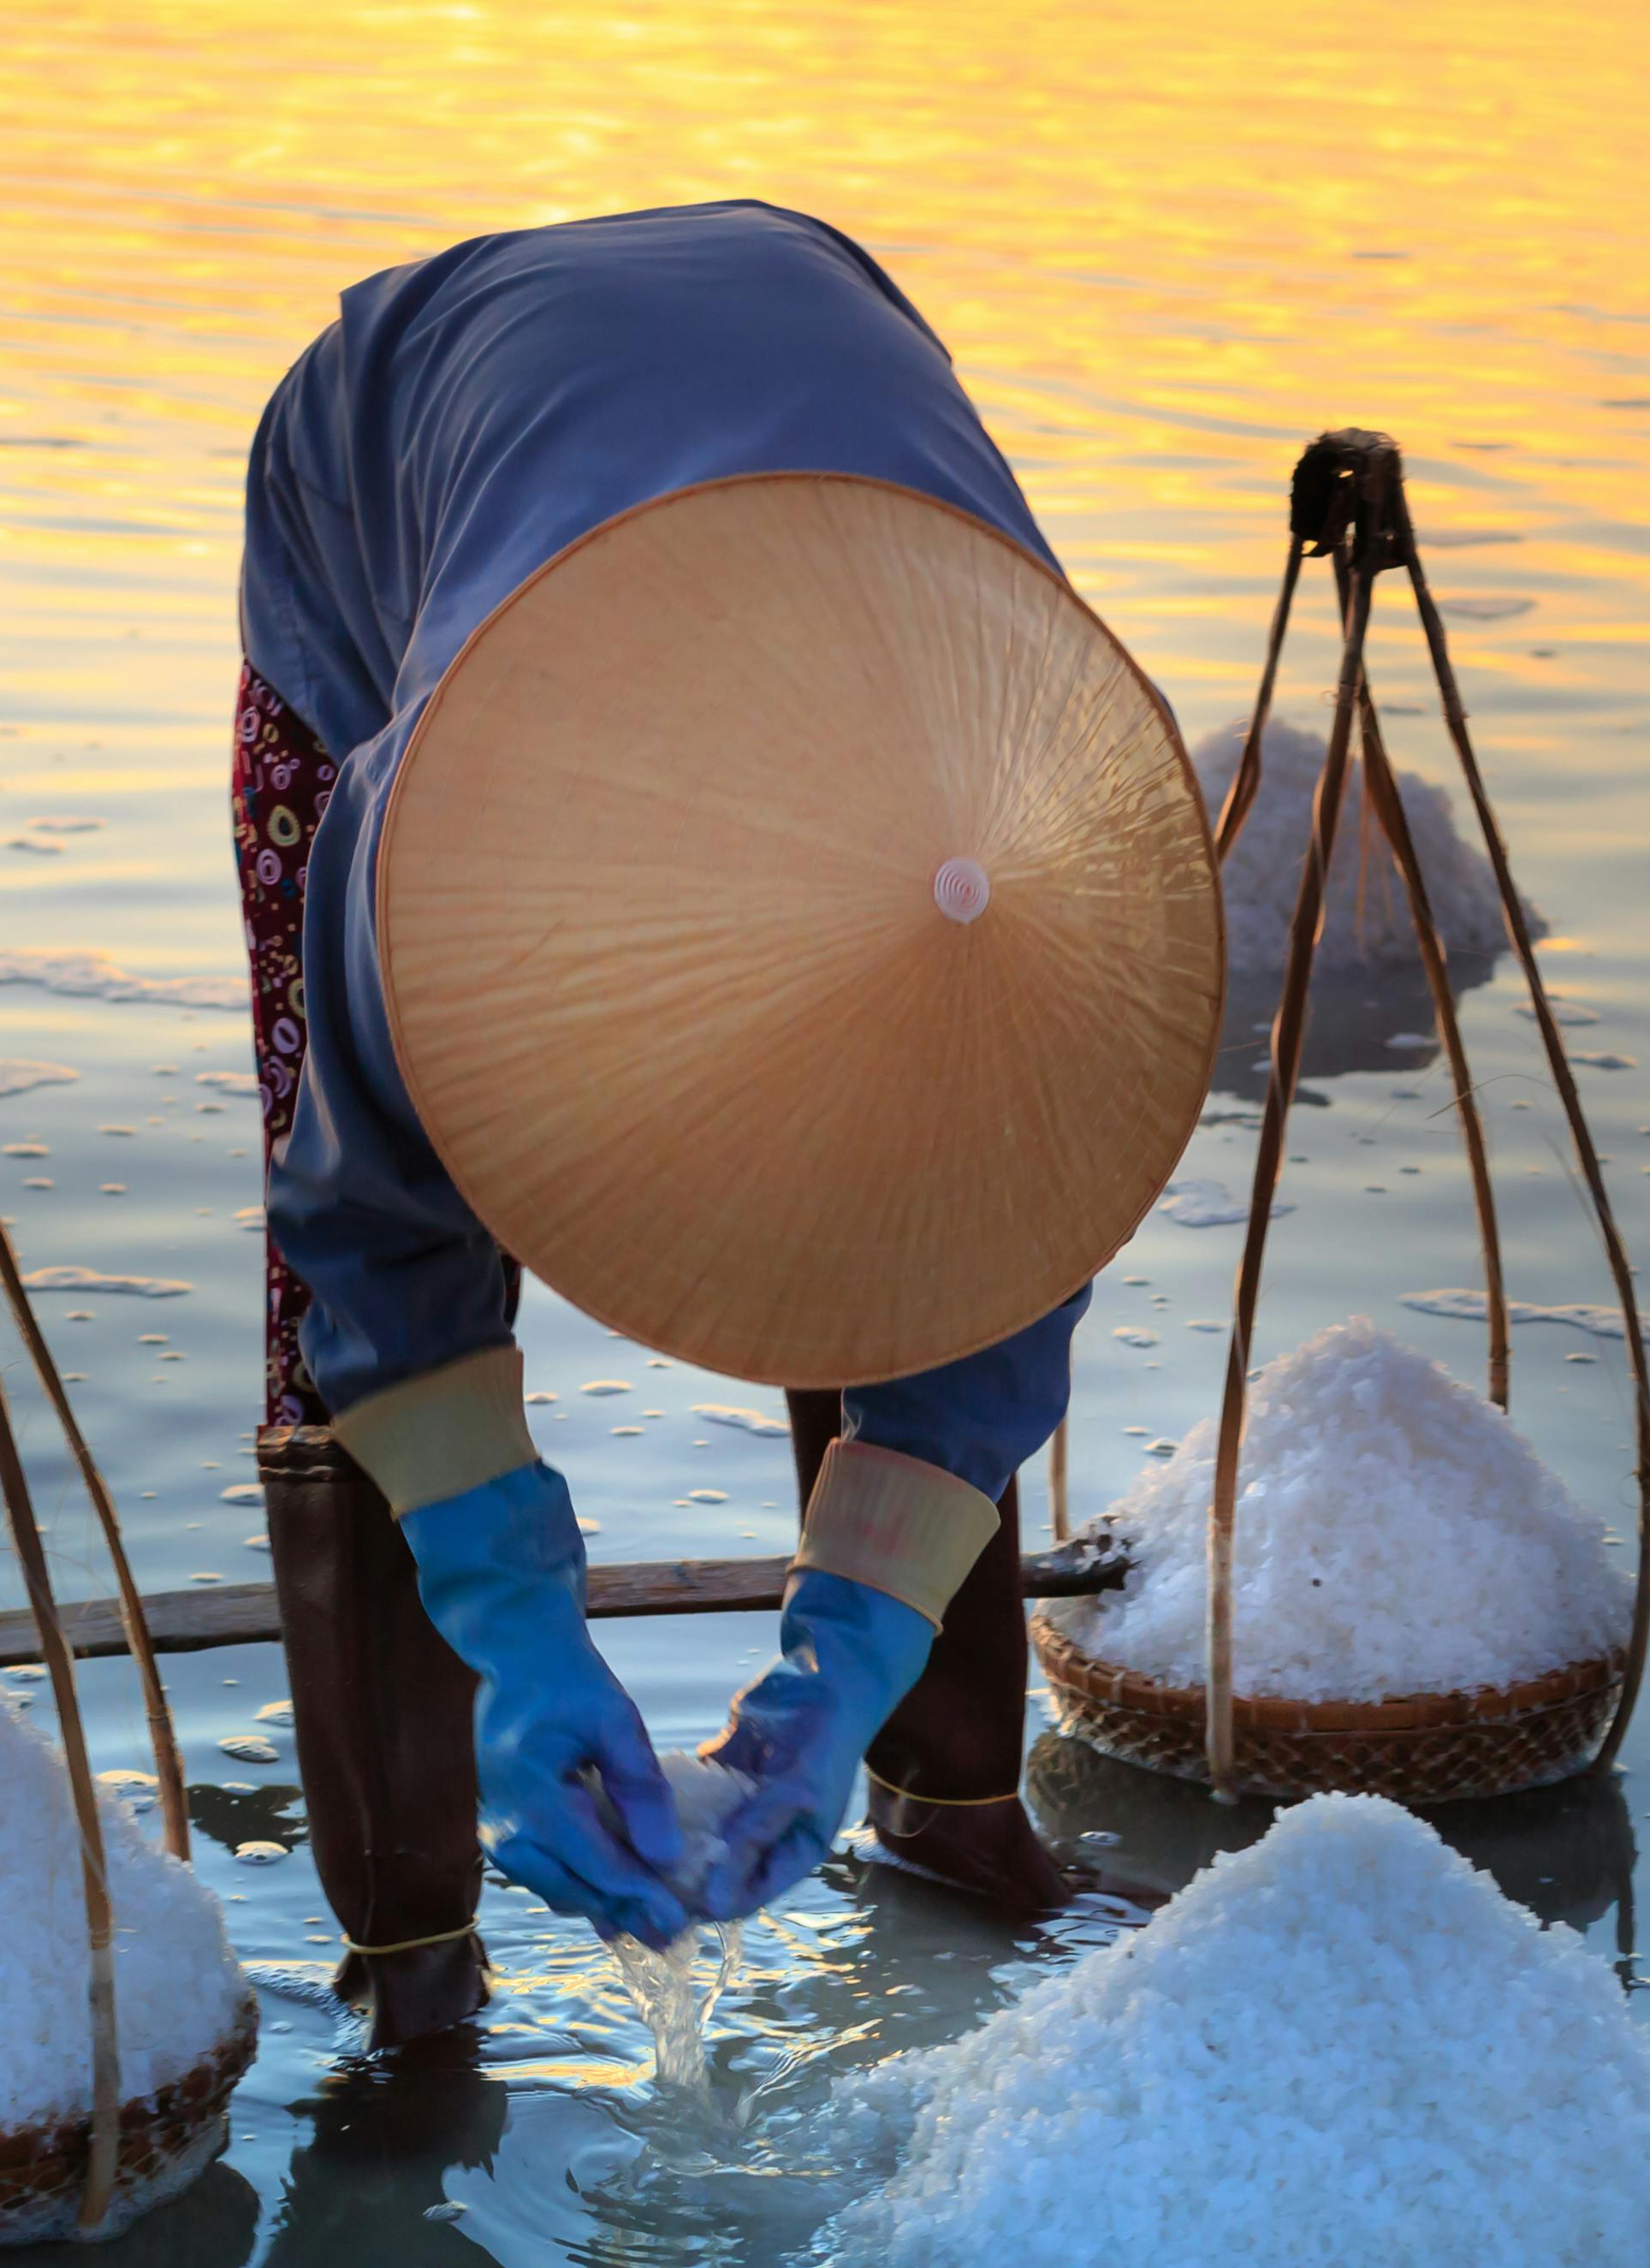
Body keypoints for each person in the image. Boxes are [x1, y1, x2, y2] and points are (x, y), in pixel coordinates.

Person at [229, 203, 1218, 2044]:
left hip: (835, 421)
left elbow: (999, 1299)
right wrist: (515, 1638)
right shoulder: (426, 842)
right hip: (389, 463)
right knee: (358, 1298)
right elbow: (362, 1238)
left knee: (920, 1182)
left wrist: (840, 1673)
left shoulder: (1051, 911)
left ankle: (947, 1810)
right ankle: (412, 1968)